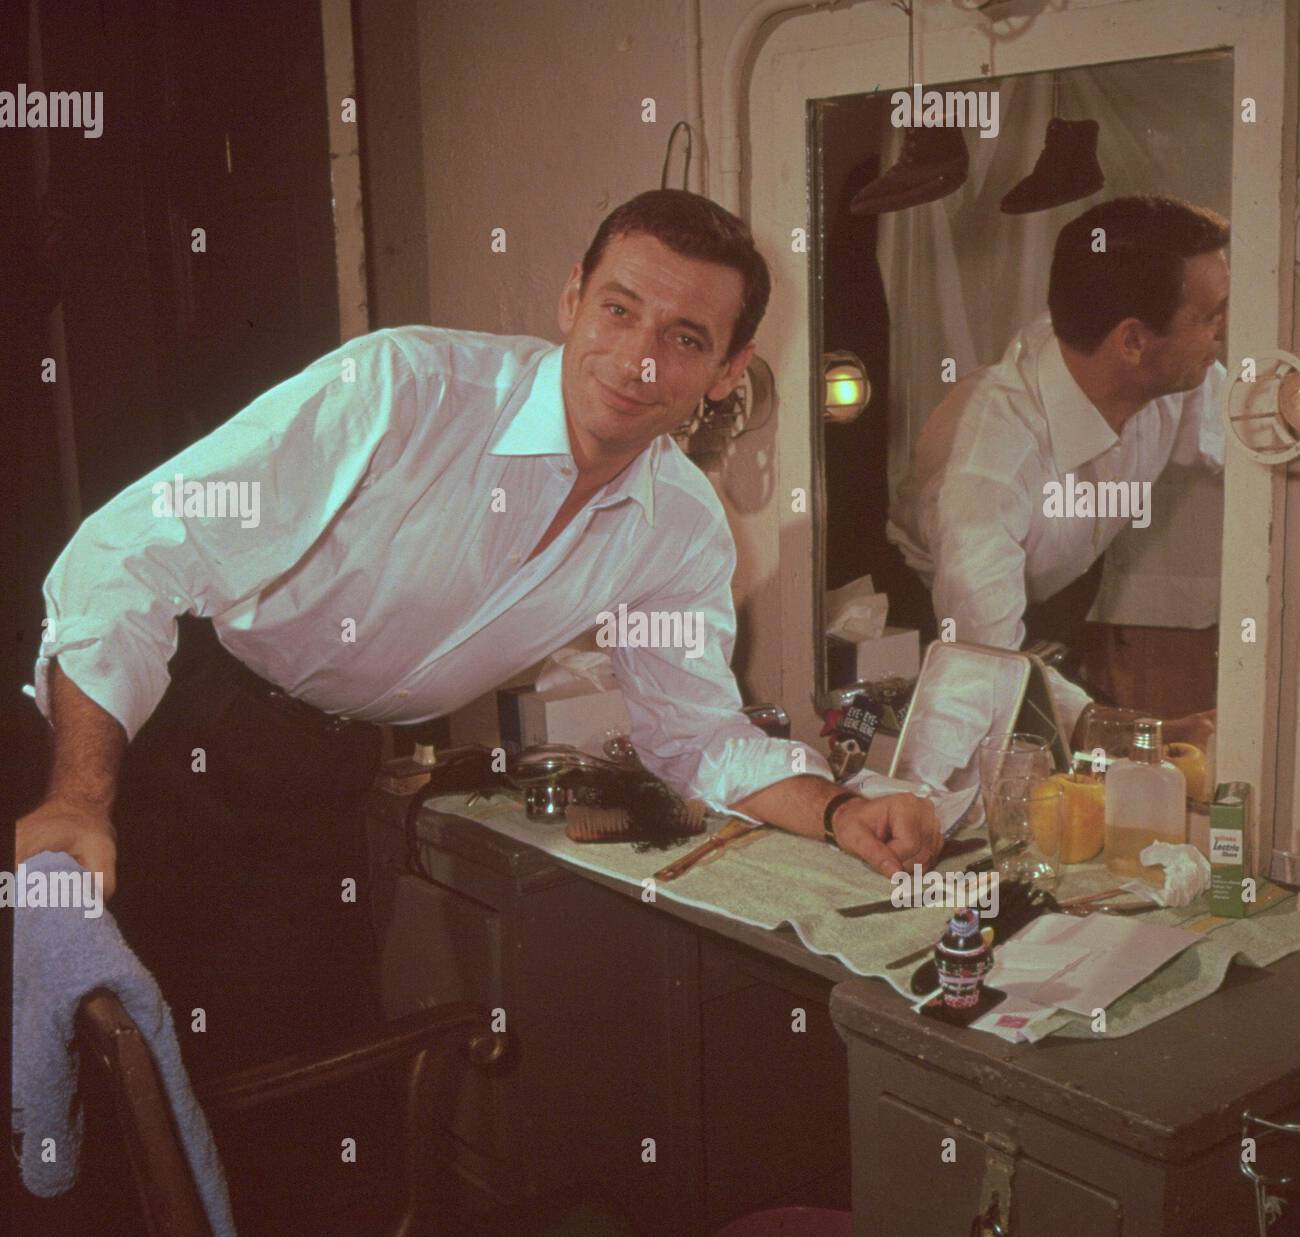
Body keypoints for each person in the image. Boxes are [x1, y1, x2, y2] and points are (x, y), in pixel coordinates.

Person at [18, 189, 942, 1078]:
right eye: (619, 311)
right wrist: (82, 795)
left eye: (685, 339)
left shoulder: (682, 529)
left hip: (323, 767)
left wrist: (836, 809)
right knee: (86, 1063)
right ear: (572, 297)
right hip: (163, 717)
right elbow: (125, 553)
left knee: (289, 1076)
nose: (637, 361)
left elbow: (695, 734)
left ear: (727, 371)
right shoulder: (402, 389)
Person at [887, 195, 1228, 755]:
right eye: (1209, 316)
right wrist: (1144, 736)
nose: (1223, 330)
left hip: (1059, 590)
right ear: (1134, 341)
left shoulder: (1155, 368)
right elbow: (988, 663)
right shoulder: (985, 470)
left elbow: (1256, 426)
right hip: (936, 616)